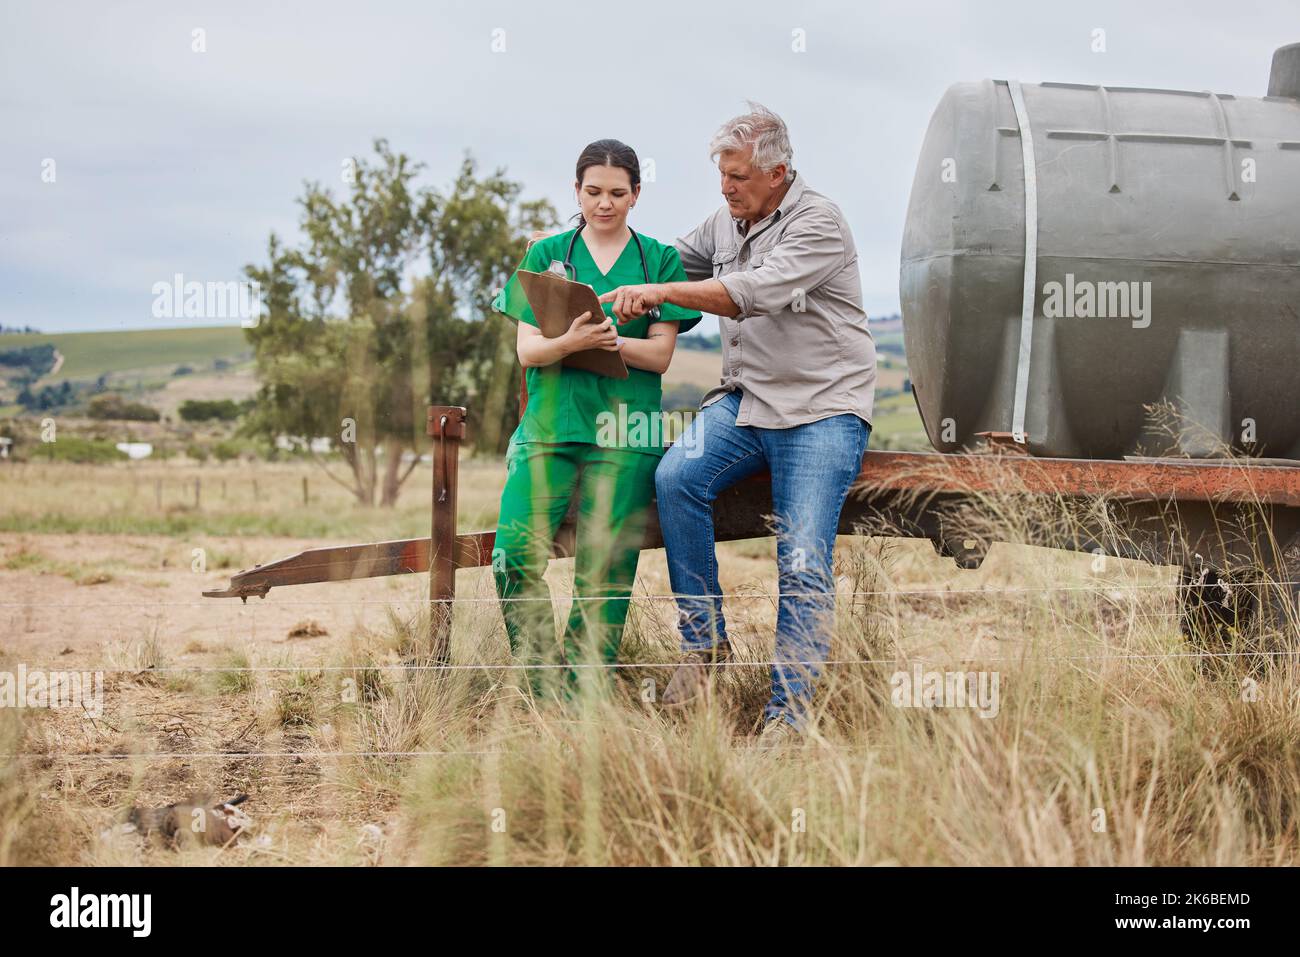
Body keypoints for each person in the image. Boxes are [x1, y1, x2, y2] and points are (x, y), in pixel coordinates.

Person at [599, 104, 877, 740]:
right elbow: (663, 262)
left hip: (821, 410)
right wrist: (583, 246)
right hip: (745, 401)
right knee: (676, 479)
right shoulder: (726, 220)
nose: (726, 189)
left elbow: (747, 293)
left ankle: (788, 716)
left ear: (778, 172)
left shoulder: (819, 222)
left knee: (801, 557)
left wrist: (663, 296)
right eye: (721, 176)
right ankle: (705, 649)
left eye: (739, 177)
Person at [491, 139, 703, 701]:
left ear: (636, 193)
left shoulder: (659, 261)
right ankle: (546, 689)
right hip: (551, 426)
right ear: (576, 190)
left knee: (605, 574)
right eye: (592, 192)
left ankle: (588, 695)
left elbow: (658, 356)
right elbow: (528, 352)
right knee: (513, 556)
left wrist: (603, 342)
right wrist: (571, 341)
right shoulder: (546, 257)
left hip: (628, 432)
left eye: (616, 193)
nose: (603, 204)